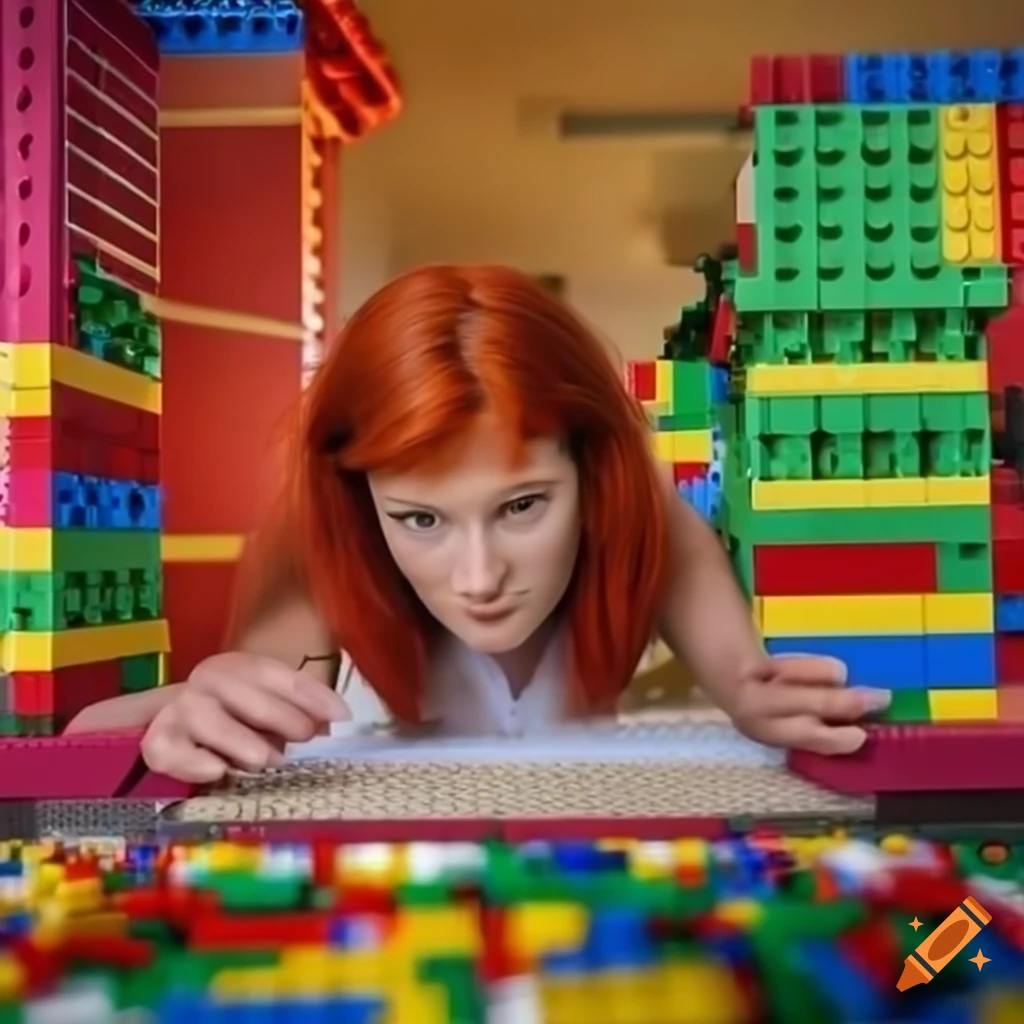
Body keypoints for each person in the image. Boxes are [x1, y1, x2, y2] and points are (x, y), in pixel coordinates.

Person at [66, 265, 890, 782]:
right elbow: (114, 742)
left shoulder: (647, 519)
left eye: (522, 506)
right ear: (358, 494)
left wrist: (769, 704)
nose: (478, 578)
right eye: (420, 518)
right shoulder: (323, 545)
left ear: (592, 470)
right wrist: (186, 706)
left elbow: (750, 689)